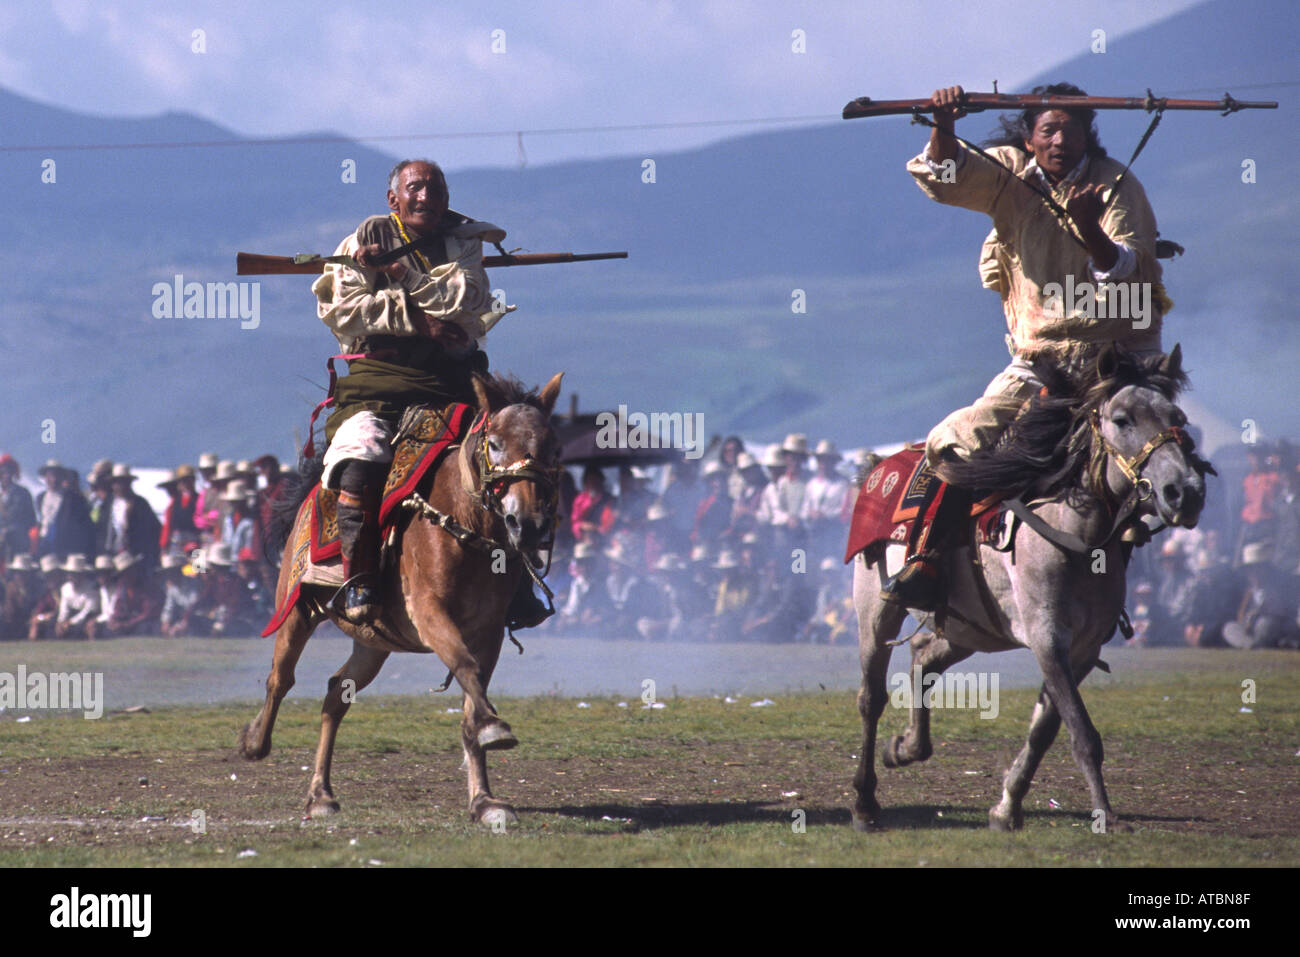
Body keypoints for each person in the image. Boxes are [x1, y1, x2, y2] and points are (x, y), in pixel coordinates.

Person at [884, 82, 1170, 611]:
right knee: (954, 440)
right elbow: (945, 179)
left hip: (1114, 360)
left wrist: (1092, 233)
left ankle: (1133, 523)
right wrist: (944, 125)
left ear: (1089, 134)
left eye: (1072, 128)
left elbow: (1129, 273)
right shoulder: (1008, 173)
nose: (1060, 139)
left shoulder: (1117, 184)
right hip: (1039, 362)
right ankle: (925, 559)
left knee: (1160, 442)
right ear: (1029, 136)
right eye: (1049, 129)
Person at [311, 158, 546, 626]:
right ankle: (358, 579)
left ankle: (516, 583)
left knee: (505, 460)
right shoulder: (361, 241)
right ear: (393, 199)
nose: (426, 197)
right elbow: (345, 310)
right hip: (378, 385)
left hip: (454, 382)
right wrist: (420, 321)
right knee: (361, 458)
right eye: (415, 188)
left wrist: (398, 274)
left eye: (435, 190)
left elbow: (465, 301)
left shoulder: (464, 245)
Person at [0, 455, 36, 562]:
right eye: (3, 473)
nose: (6, 476)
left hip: (18, 541)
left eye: (8, 472)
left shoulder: (22, 493)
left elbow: (29, 519)